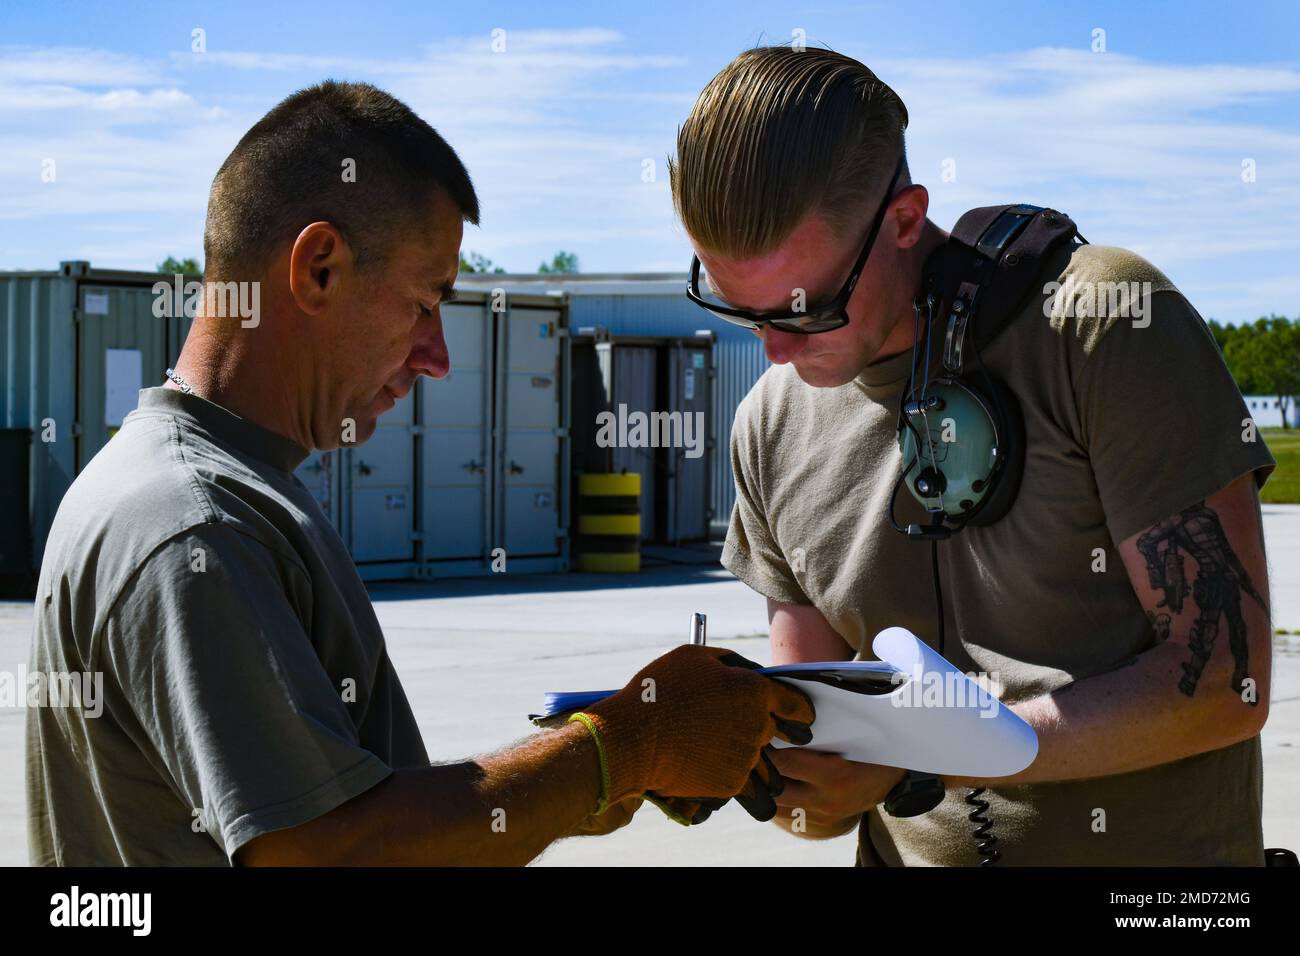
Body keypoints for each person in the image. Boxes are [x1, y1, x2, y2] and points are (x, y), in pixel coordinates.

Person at [26, 80, 813, 867]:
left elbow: (359, 806)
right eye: (425, 302)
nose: (437, 358)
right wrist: (625, 747)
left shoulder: (216, 490)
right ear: (319, 268)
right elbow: (331, 854)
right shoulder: (193, 522)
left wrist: (592, 781)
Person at [670, 46, 1275, 865]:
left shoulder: (1103, 329)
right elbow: (820, 804)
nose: (773, 349)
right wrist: (747, 767)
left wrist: (923, 760)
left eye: (805, 310)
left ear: (905, 220)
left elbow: (1225, 684)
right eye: (738, 309)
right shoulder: (768, 425)